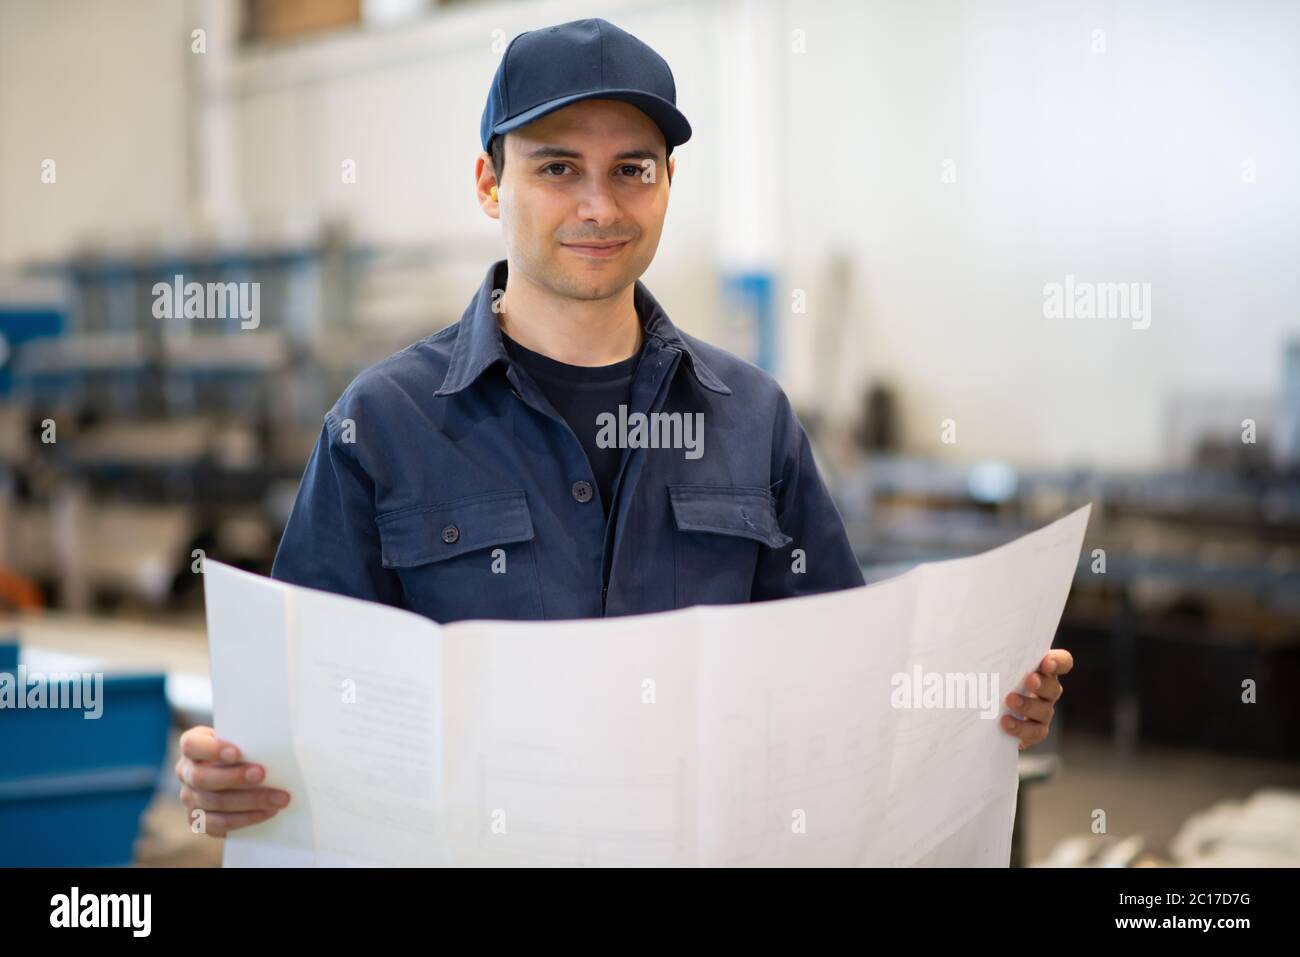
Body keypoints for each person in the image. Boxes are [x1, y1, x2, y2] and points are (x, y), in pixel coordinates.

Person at [178, 18, 1072, 839]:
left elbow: (840, 687)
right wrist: (232, 776)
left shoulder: (752, 420)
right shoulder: (381, 425)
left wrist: (977, 708)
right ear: (490, 183)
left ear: (668, 183)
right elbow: (297, 714)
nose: (600, 207)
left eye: (632, 169)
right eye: (557, 167)